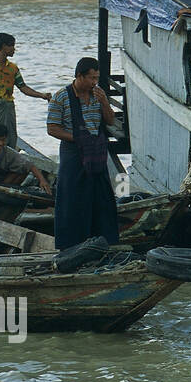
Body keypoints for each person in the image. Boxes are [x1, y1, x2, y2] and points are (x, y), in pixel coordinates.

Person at [46, 57, 119, 249]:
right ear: (79, 76)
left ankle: (102, 241)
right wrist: (77, 138)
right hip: (73, 153)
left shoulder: (98, 94)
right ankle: (70, 244)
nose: (95, 82)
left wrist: (104, 102)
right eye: (91, 78)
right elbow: (52, 128)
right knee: (71, 197)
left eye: (97, 78)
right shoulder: (61, 96)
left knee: (100, 196)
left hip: (96, 153)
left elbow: (110, 121)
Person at [0, 32, 52, 151]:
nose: (14, 49)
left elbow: (23, 88)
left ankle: (8, 165)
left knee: (11, 138)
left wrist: (42, 95)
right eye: (11, 45)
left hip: (9, 107)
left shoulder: (12, 68)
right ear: (3, 46)